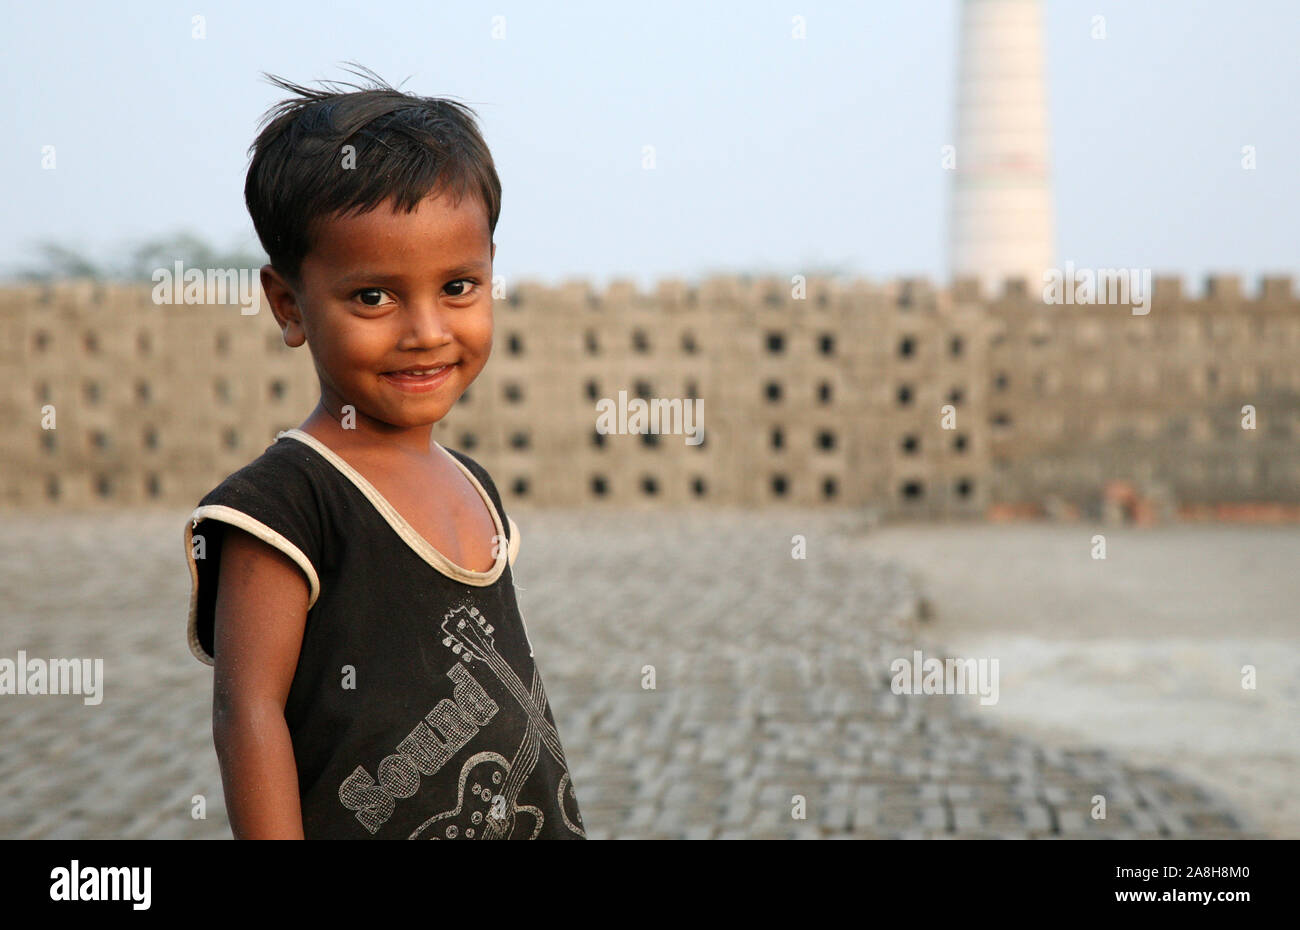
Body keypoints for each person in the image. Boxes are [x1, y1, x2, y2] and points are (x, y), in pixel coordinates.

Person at [182, 68, 585, 840]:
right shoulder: (287, 505)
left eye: (459, 286)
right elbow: (248, 712)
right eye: (374, 297)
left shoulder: (474, 484)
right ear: (290, 305)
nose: (427, 331)